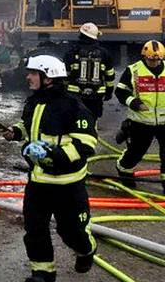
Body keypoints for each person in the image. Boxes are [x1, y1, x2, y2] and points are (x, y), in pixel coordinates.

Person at [2, 54, 98, 282]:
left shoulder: (73, 106)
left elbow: (86, 144)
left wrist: (53, 156)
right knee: (35, 228)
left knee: (72, 231)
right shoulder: (34, 102)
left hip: (68, 185)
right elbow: (29, 126)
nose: (28, 77)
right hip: (38, 182)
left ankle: (86, 250)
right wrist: (16, 132)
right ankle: (43, 271)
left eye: (33, 73)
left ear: (48, 77)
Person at [112, 40, 165, 193]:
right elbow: (121, 91)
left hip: (164, 122)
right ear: (144, 57)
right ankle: (124, 170)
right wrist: (132, 102)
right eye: (150, 59)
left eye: (157, 60)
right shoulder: (133, 70)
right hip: (140, 122)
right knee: (135, 153)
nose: (154, 62)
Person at [64, 22, 115, 121]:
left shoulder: (71, 52)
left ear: (81, 35)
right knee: (92, 121)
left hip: (74, 96)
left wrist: (64, 89)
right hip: (96, 97)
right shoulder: (105, 54)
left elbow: (65, 74)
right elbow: (110, 75)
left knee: (73, 121)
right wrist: (109, 92)